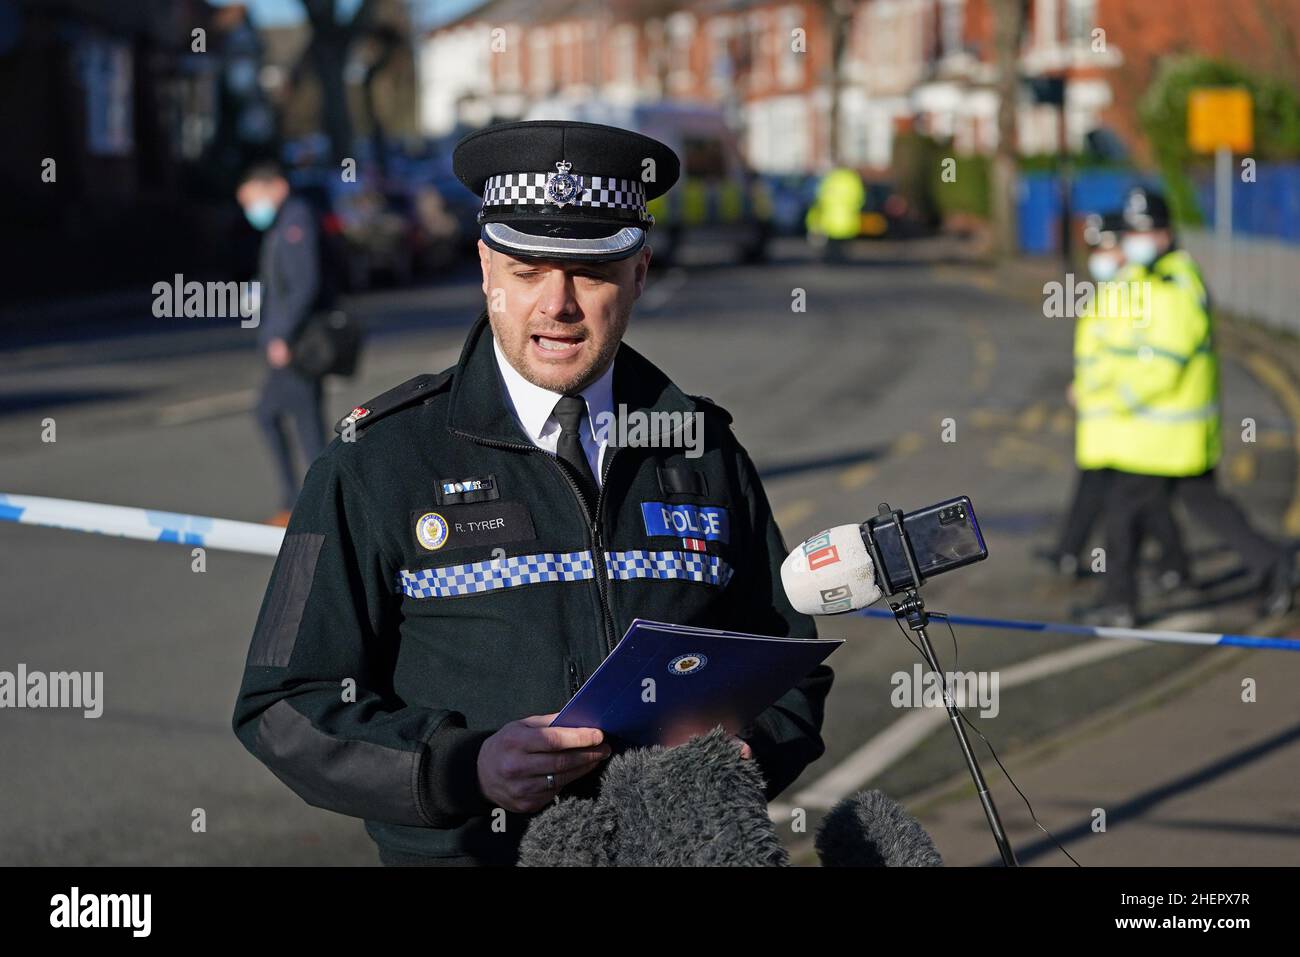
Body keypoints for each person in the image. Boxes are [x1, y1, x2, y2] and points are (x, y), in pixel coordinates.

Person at [230, 120, 834, 866]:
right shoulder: (374, 461)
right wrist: (462, 766)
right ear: (486, 267)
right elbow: (281, 706)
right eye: (526, 270)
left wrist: (748, 755)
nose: (558, 303)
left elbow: (787, 661)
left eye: (591, 272)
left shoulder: (704, 447)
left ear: (640, 272)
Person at [1080, 187, 1295, 626]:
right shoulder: (1147, 279)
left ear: (1167, 234)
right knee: (1206, 508)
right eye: (1133, 232)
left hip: (1163, 433)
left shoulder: (1176, 285)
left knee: (1123, 513)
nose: (1137, 240)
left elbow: (1164, 364)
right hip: (1159, 436)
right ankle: (1276, 569)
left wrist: (1118, 398)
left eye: (1148, 230)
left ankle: (1120, 601)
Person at [1040, 211, 1187, 588]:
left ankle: (1125, 584)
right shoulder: (1118, 289)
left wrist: (1116, 395)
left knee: (1133, 504)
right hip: (1108, 415)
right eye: (1097, 247)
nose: (1102, 255)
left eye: (1108, 244)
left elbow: (1139, 357)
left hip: (1125, 416)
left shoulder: (1138, 291)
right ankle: (1166, 567)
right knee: (1136, 500)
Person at [236, 161, 327, 526]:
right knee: (301, 421)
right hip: (290, 341)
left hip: (297, 344)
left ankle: (303, 504)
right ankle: (310, 502)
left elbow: (304, 285)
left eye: (252, 200)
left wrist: (282, 335)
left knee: (282, 417)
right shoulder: (284, 221)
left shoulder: (296, 221)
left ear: (274, 187)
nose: (250, 211)